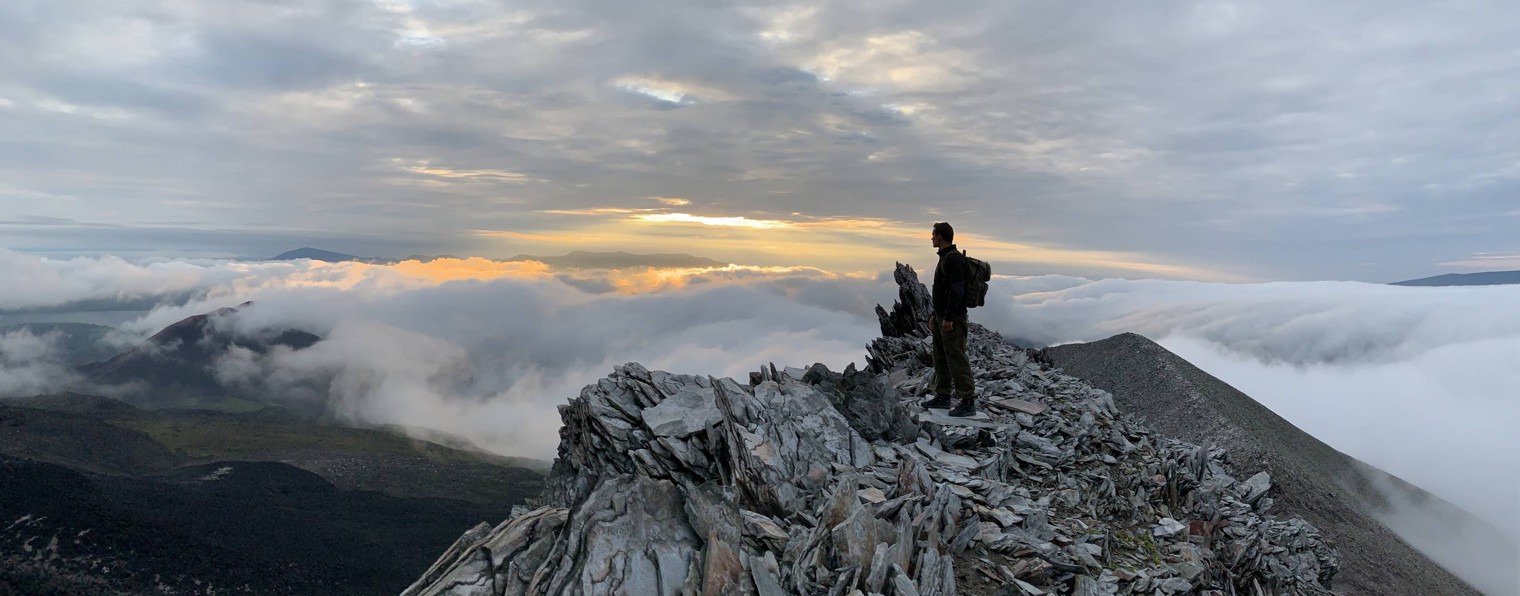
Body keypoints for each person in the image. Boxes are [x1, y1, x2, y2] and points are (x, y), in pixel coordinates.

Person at [923, 222, 977, 417]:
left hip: (951, 319)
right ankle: (943, 395)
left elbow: (957, 290)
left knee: (956, 356)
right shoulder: (945, 257)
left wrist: (948, 318)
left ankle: (967, 401)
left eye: (933, 235)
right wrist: (934, 316)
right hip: (941, 316)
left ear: (940, 237)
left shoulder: (952, 259)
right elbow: (943, 291)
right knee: (941, 356)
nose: (931, 238)